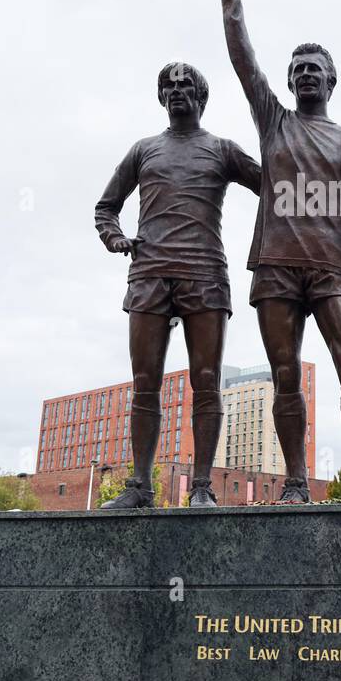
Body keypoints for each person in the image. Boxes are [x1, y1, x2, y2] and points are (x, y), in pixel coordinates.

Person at [215, 0, 341, 501]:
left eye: (314, 68)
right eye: (297, 70)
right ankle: (295, 482)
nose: (305, 75)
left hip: (334, 266)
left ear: (332, 80)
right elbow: (244, 61)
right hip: (276, 267)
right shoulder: (274, 120)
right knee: (284, 376)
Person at [95, 62, 261, 508]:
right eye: (169, 85)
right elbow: (105, 207)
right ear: (160, 96)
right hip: (149, 273)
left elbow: (272, 186)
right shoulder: (143, 150)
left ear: (202, 96)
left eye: (186, 85)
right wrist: (115, 237)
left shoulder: (223, 149)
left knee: (206, 381)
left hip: (205, 273)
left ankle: (203, 486)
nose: (177, 90)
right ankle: (140, 487)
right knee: (144, 382)